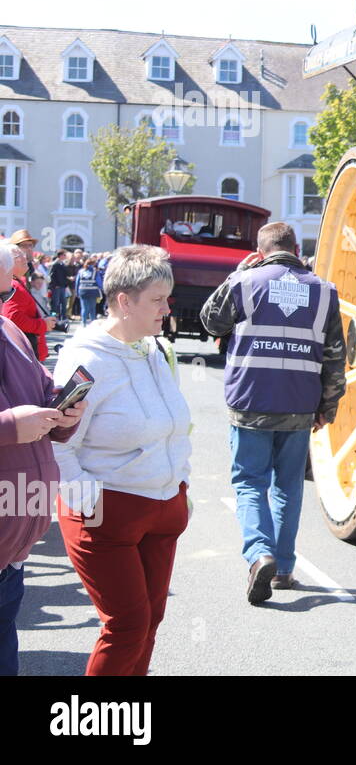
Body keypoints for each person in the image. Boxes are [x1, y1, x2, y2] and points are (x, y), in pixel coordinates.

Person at [52, 245, 190, 676]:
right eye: (157, 300)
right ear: (123, 301)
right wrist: (88, 499)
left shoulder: (153, 350)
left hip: (161, 509)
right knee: (128, 625)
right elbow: (57, 442)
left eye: (167, 298)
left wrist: (181, 487)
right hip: (108, 515)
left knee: (149, 622)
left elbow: (174, 426)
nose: (167, 309)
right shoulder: (86, 358)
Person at [200, 222, 345, 602]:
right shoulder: (325, 292)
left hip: (250, 401)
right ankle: (282, 568)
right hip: (299, 404)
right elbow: (334, 357)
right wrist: (327, 407)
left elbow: (209, 320)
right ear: (296, 248)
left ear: (260, 252)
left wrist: (239, 273)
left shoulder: (246, 282)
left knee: (250, 482)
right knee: (288, 487)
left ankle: (258, 553)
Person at [0, 246, 84, 676]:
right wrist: (13, 425)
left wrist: (62, 414)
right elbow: (14, 421)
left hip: (12, 552)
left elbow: (42, 388)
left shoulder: (8, 332)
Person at [1, 245, 55, 361]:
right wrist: (42, 324)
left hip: (26, 349)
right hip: (24, 352)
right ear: (8, 261)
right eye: (20, 255)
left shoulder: (17, 282)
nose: (25, 258)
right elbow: (13, 318)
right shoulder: (13, 286)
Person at [75, 258, 101, 323]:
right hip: (92, 292)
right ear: (93, 264)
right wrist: (101, 289)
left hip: (82, 291)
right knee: (92, 309)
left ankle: (83, 323)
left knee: (84, 308)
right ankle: (93, 323)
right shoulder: (95, 271)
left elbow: (77, 282)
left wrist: (77, 292)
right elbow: (99, 282)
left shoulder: (80, 271)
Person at [49, 249, 73, 320]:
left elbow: (66, 274)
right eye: (64, 255)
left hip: (63, 286)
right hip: (56, 287)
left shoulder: (63, 264)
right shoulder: (55, 264)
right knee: (55, 304)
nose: (65, 256)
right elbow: (51, 275)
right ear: (60, 256)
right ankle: (53, 317)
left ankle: (64, 317)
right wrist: (55, 285)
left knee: (63, 303)